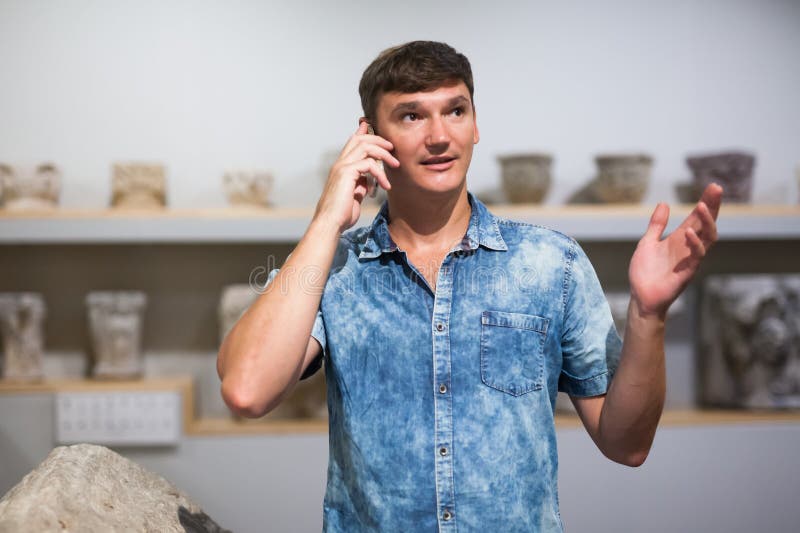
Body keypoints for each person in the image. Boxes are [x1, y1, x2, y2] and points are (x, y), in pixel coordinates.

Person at [217, 40, 722, 531]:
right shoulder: (337, 271)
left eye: (455, 111)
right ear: (370, 135)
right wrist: (327, 221)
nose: (440, 136)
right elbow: (246, 390)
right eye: (412, 116)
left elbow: (627, 444)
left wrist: (649, 315)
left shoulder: (551, 263)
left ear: (476, 124)